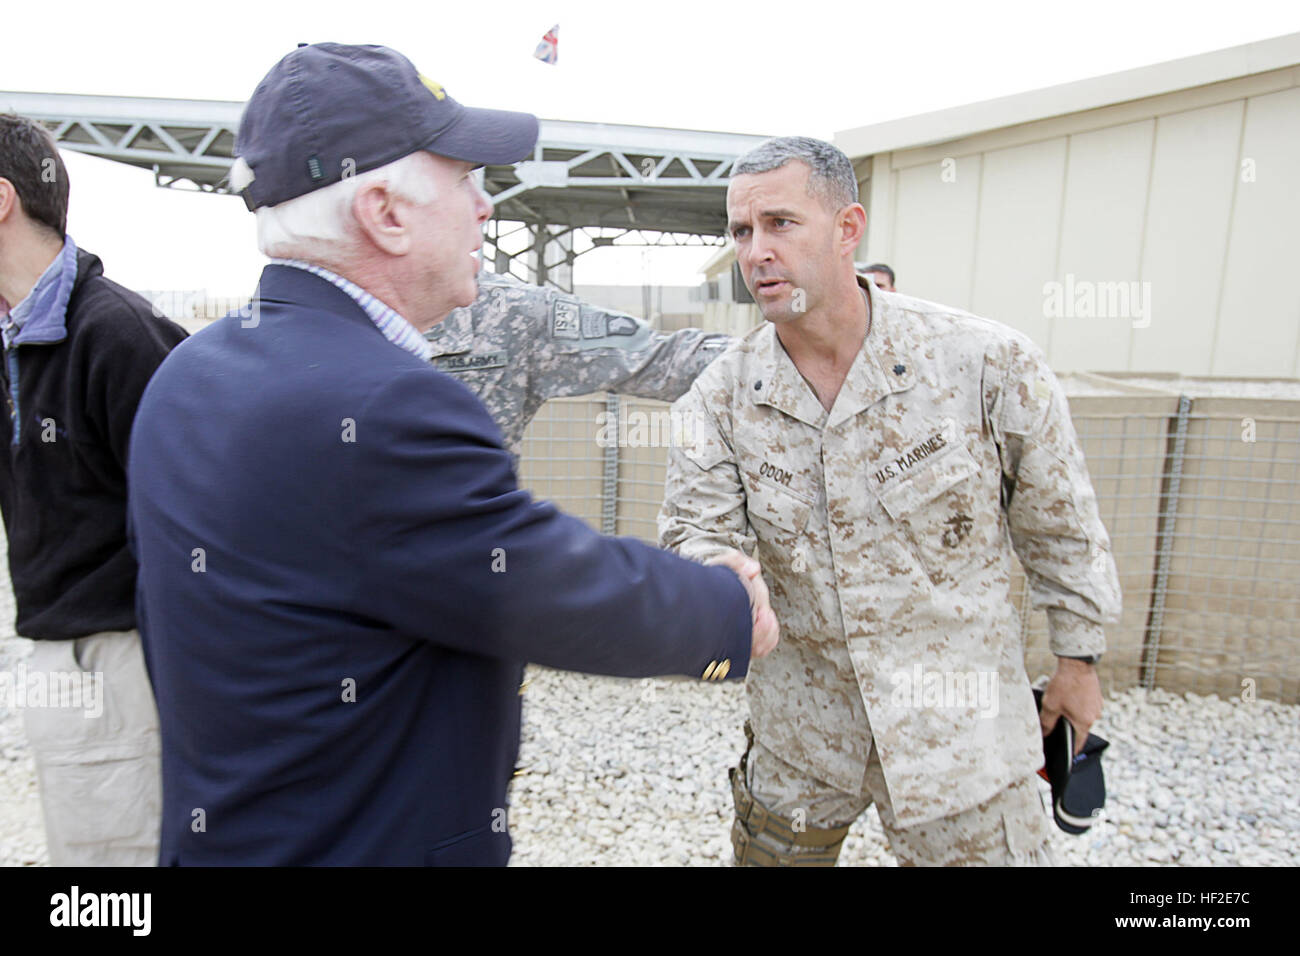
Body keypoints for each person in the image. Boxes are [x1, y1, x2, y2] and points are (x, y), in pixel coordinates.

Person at [126, 43, 778, 867]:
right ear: (384, 212)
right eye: (464, 176)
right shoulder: (387, 402)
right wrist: (721, 606)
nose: (485, 204)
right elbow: (530, 579)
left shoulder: (189, 372)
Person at [659, 136, 1120, 866]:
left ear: (848, 229)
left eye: (780, 223)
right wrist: (721, 574)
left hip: (960, 740)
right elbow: (694, 529)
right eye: (741, 232)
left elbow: (1059, 522)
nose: (755, 253)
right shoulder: (717, 399)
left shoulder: (984, 364)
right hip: (803, 739)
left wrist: (1079, 658)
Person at [0, 113, 187, 865]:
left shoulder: (118, 335)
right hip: (64, 664)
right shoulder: (17, 339)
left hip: (116, 665)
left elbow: (196, 526)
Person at [428, 272, 731, 456]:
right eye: (456, 182)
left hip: (471, 554)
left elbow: (663, 360)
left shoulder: (507, 312)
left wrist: (771, 351)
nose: (482, 206)